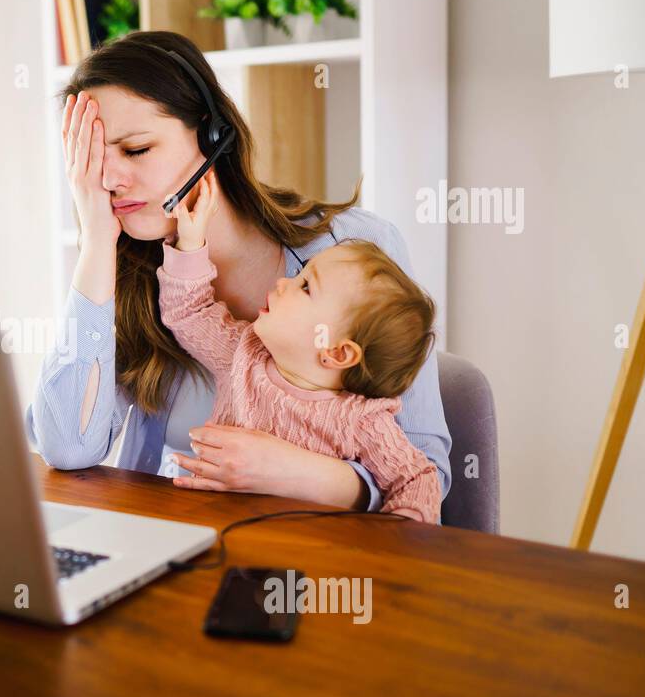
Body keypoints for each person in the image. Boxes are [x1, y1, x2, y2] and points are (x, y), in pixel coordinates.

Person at [23, 30, 451, 516]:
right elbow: (66, 449)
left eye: (136, 150)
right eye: (93, 162)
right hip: (179, 543)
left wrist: (295, 473)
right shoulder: (114, 275)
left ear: (211, 135)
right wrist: (97, 244)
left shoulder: (354, 253)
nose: (110, 181)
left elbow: (426, 471)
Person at [157, 167, 440, 522]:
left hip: (310, 561)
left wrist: (397, 544)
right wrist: (191, 243)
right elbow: (189, 310)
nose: (282, 283)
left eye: (305, 286)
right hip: (216, 534)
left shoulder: (361, 421)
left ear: (337, 352)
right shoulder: (244, 355)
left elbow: (416, 478)